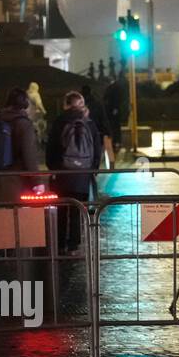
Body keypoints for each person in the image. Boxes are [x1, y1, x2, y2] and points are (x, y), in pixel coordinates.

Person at [46, 91, 101, 255]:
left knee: (62, 209)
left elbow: (52, 148)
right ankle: (74, 245)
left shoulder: (60, 122)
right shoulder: (89, 124)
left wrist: (54, 168)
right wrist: (93, 170)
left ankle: (60, 243)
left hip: (63, 174)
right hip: (83, 175)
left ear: (66, 105)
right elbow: (97, 150)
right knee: (78, 210)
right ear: (82, 105)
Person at [0, 87, 45, 203]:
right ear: (25, 104)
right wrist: (37, 181)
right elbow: (29, 154)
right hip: (16, 179)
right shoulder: (23, 124)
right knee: (16, 216)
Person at [80, 83, 113, 169]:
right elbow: (103, 119)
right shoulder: (97, 104)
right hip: (96, 132)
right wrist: (108, 131)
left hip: (82, 133)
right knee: (96, 153)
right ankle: (94, 170)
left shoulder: (79, 105)